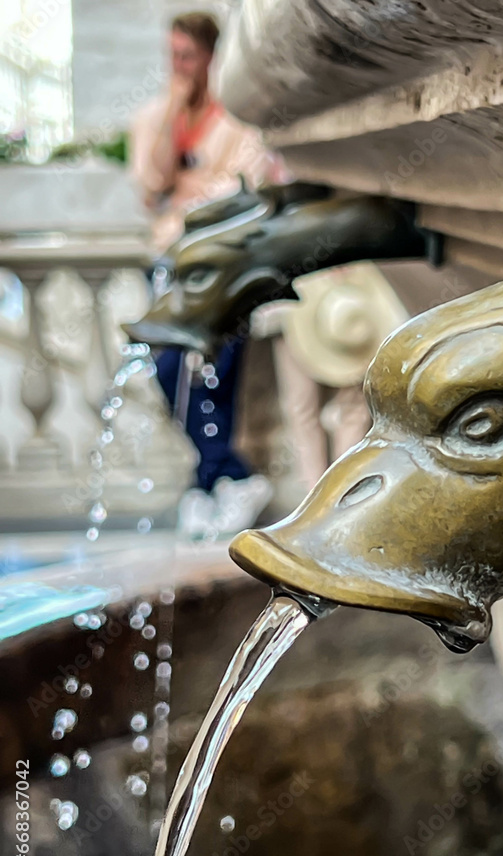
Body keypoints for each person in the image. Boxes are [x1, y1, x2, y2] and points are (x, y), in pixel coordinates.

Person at [130, 12, 286, 537]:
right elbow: (151, 185)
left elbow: (241, 190)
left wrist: (187, 186)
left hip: (226, 266)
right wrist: (174, 112)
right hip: (172, 264)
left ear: (211, 58)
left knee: (214, 378)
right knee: (168, 370)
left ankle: (209, 483)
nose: (178, 66)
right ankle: (229, 476)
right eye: (172, 54)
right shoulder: (156, 116)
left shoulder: (239, 121)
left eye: (188, 56)